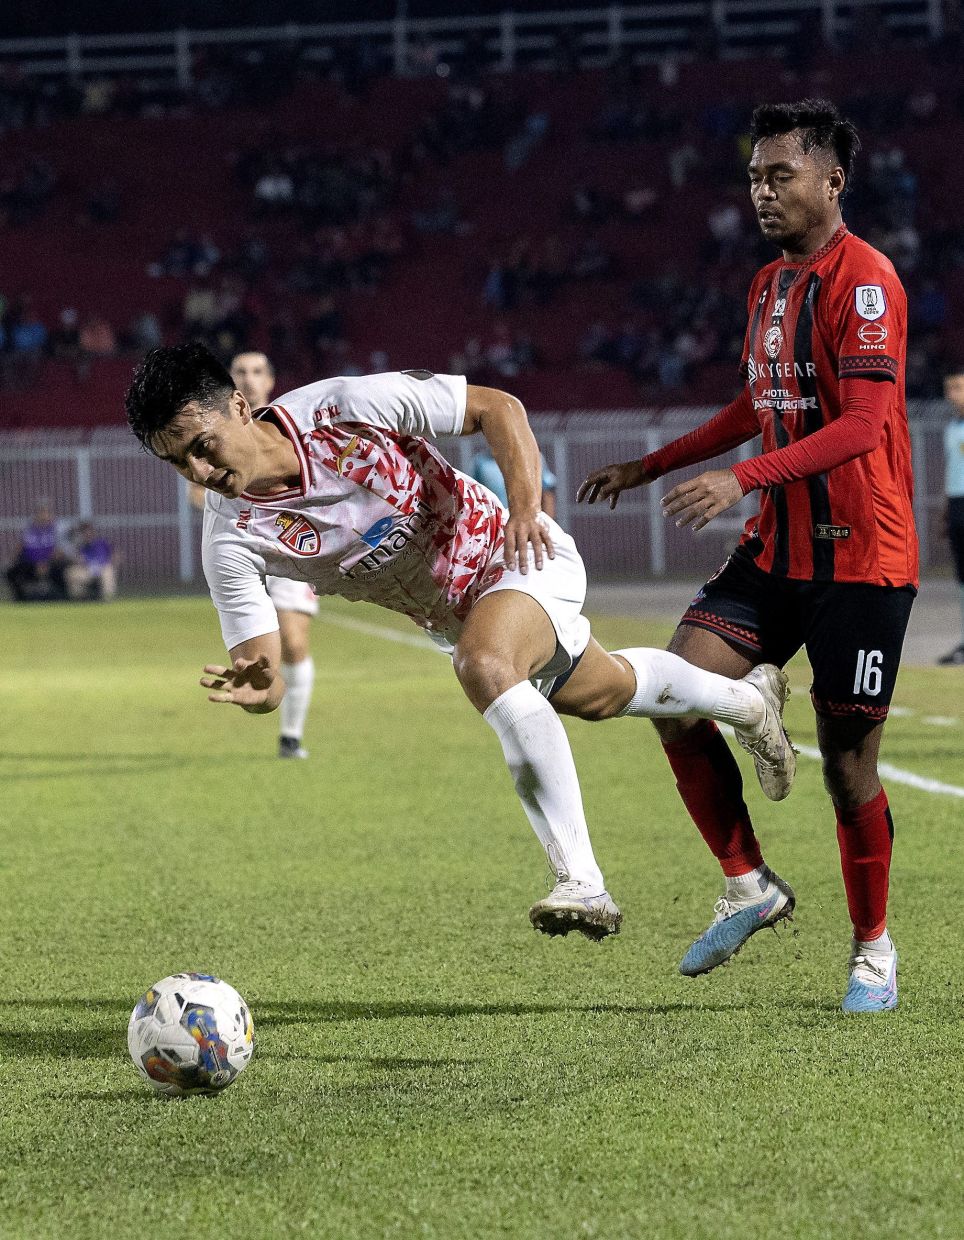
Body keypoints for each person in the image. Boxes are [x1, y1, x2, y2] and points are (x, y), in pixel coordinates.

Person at [126, 342, 796, 940]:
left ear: (240, 408)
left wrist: (527, 508)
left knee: (485, 663)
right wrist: (256, 687)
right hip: (453, 616)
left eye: (201, 445)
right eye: (177, 462)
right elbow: (263, 675)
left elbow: (497, 408)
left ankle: (582, 882)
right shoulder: (232, 538)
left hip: (518, 556)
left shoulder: (340, 408)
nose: (198, 470)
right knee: (605, 692)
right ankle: (749, 703)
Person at [579, 99, 916, 1012]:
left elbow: (866, 423)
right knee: (672, 692)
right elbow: (753, 406)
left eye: (780, 175)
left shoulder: (869, 282)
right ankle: (749, 883)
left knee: (850, 768)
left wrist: (742, 480)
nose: (761, 191)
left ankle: (873, 949)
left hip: (863, 564)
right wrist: (650, 465)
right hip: (777, 555)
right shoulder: (769, 285)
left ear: (831, 181)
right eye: (755, 176)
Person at [230, 350, 318, 758]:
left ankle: (291, 736)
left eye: (257, 372)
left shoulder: (289, 423)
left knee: (295, 644)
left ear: (270, 380)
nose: (249, 379)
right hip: (244, 550)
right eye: (241, 372)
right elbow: (198, 492)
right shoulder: (222, 434)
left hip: (287, 547)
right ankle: (262, 700)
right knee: (258, 652)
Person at [938, 366, 964, 665]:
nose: (952, 395)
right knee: (961, 578)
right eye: (949, 389)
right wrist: (945, 512)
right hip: (957, 507)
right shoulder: (952, 428)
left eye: (957, 387)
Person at [470, 444, 557, 519]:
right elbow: (475, 498)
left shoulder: (532, 457)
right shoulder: (480, 462)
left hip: (527, 522)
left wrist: (548, 524)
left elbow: (547, 493)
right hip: (495, 523)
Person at [5, 501, 69, 601]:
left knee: (62, 571)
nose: (43, 516)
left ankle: (62, 598)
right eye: (41, 513)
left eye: (46, 513)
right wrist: (12, 560)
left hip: (51, 564)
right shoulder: (29, 529)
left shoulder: (57, 529)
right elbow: (21, 546)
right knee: (10, 572)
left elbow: (61, 551)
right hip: (31, 564)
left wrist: (45, 563)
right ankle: (21, 599)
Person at [64, 521, 118, 600]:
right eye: (85, 532)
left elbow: (115, 554)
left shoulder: (102, 542)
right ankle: (83, 597)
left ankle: (107, 598)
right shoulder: (80, 546)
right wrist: (78, 560)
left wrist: (113, 563)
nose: (88, 534)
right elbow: (77, 560)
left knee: (108, 571)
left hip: (103, 568)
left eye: (89, 532)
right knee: (70, 573)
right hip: (87, 570)